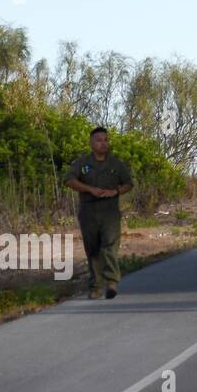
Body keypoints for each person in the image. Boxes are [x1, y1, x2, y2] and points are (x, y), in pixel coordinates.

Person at [65, 127, 133, 299]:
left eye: (105, 140)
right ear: (91, 143)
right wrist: (90, 189)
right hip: (89, 211)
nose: (103, 143)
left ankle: (111, 282)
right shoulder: (83, 163)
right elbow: (69, 180)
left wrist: (116, 191)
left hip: (109, 212)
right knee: (93, 249)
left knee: (110, 246)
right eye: (99, 140)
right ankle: (96, 286)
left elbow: (128, 183)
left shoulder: (116, 164)